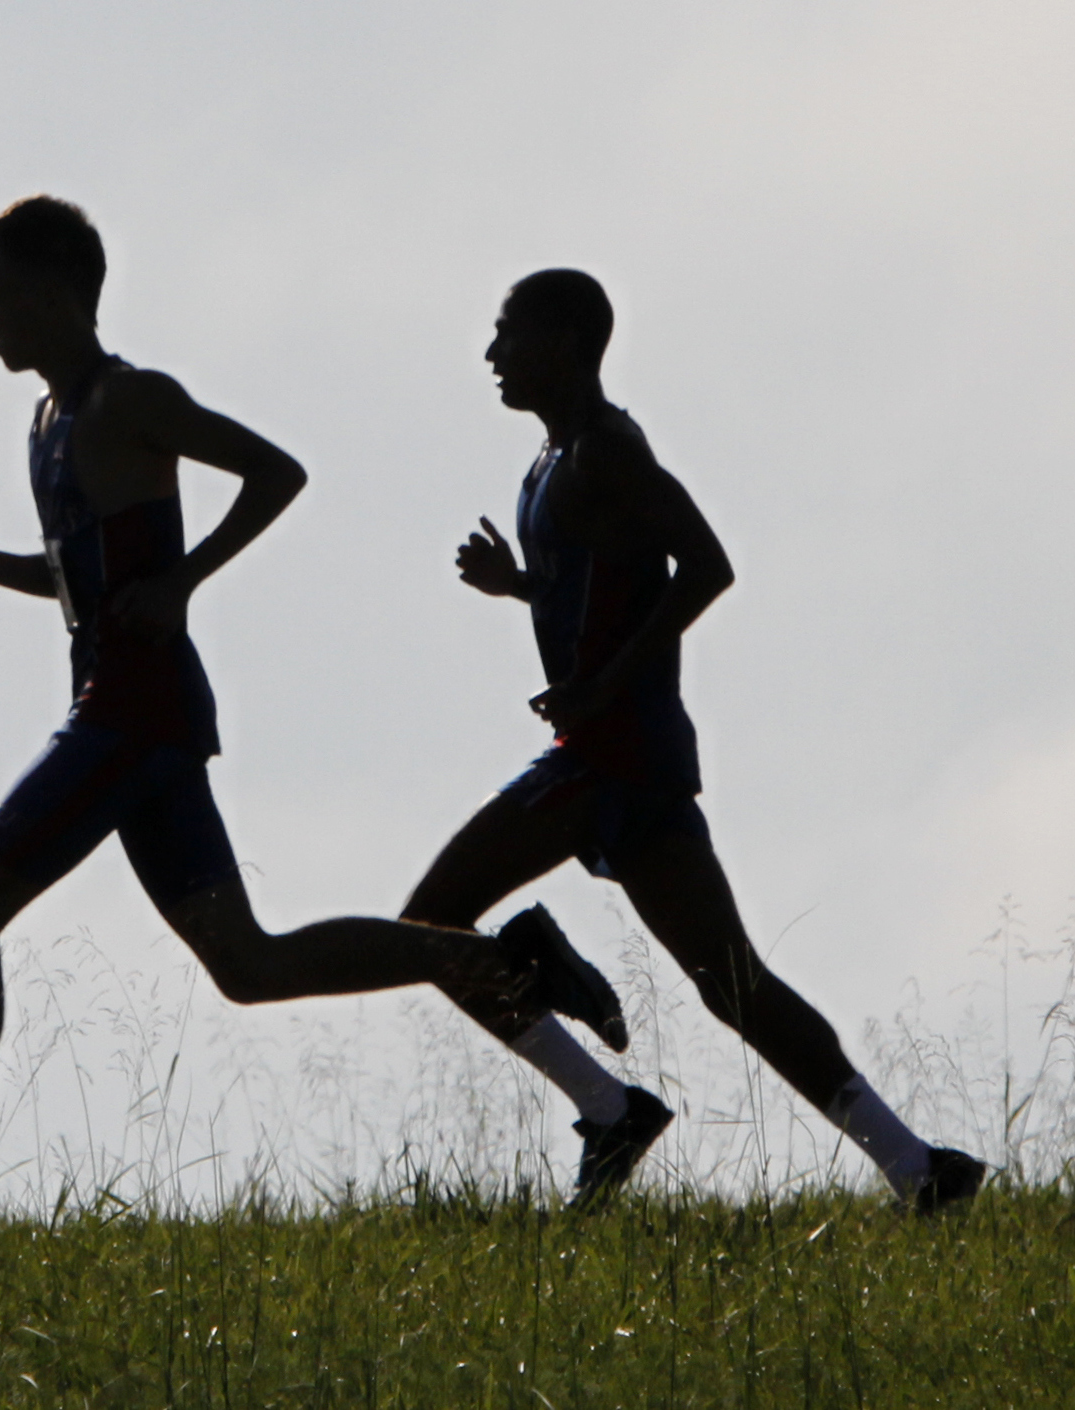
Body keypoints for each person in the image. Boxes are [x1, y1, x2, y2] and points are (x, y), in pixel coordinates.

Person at [0, 198, 624, 1220]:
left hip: (129, 713)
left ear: (59, 293)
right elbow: (90, 579)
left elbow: (276, 473)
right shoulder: (48, 422)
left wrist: (187, 580)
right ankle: (529, 996)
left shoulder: (129, 398)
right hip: (134, 718)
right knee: (247, 962)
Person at [401, 269, 983, 1211]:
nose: (491, 355)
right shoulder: (547, 465)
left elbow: (704, 565)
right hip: (625, 757)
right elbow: (608, 582)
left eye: (508, 333)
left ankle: (604, 1101)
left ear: (564, 341)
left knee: (425, 924)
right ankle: (920, 1169)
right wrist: (519, 587)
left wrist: (600, 687)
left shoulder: (603, 450)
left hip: (609, 757)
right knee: (734, 988)